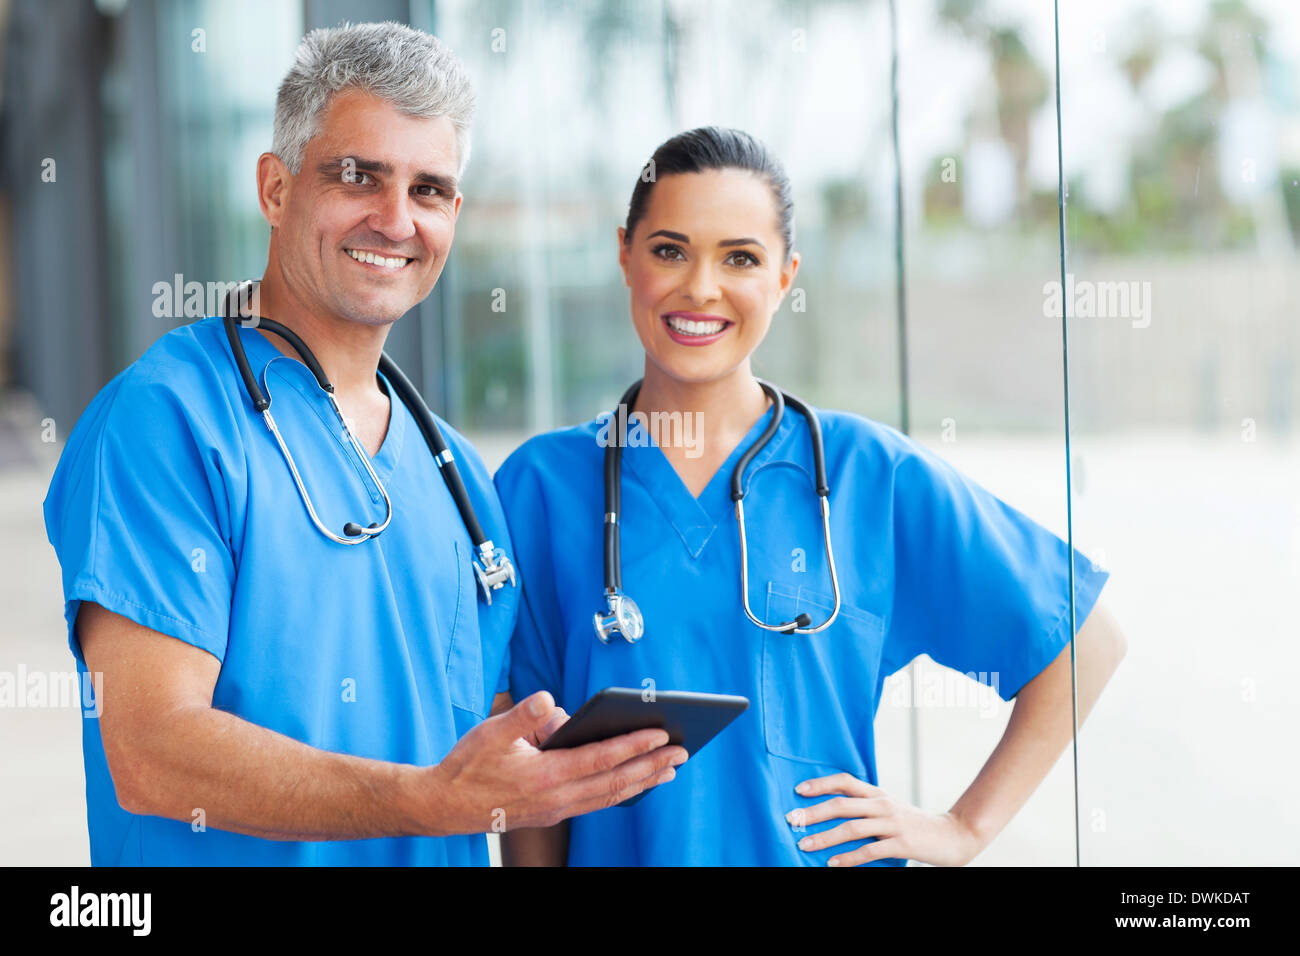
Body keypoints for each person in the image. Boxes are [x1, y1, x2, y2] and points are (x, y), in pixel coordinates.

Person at [41, 22, 684, 867]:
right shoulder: (167, 421)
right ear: (275, 188)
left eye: (428, 191)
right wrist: (424, 801)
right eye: (358, 177)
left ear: (452, 216)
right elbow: (153, 752)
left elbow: (480, 757)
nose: (394, 220)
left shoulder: (457, 476)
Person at [495, 126, 1127, 867]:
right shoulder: (543, 487)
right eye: (670, 250)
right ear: (624, 255)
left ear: (785, 277)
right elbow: (531, 764)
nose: (701, 287)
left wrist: (962, 829)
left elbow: (1086, 642)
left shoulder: (868, 474)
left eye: (740, 258)